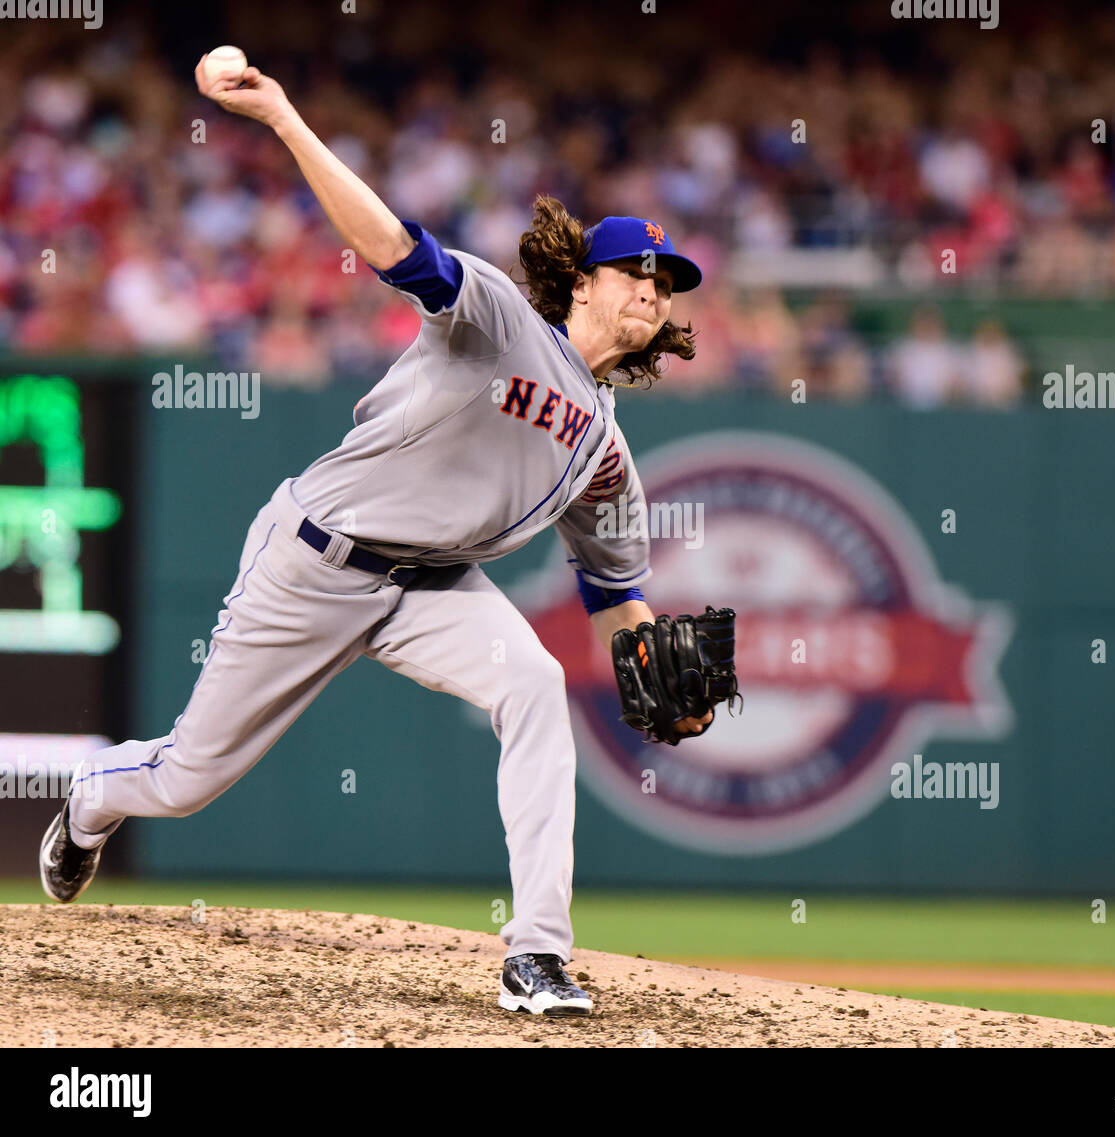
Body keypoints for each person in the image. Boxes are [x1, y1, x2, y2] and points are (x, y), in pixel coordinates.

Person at [39, 54, 716, 1018]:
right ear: (583, 278)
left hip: (432, 587)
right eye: (635, 270)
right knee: (188, 778)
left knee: (532, 682)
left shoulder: (605, 451)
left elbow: (618, 598)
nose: (653, 289)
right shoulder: (498, 318)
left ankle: (537, 954)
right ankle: (93, 793)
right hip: (315, 558)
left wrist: (665, 692)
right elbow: (391, 243)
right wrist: (282, 118)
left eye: (667, 279)